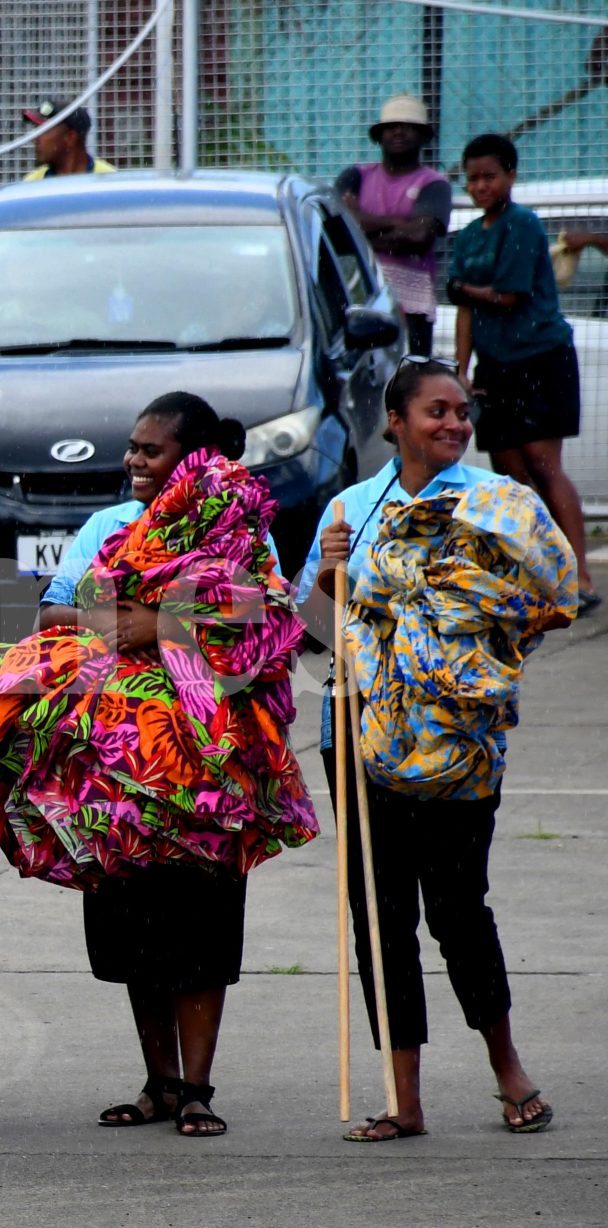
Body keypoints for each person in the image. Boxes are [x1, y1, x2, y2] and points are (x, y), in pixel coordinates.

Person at [0, 393, 310, 1140]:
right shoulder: (105, 528)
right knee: (133, 926)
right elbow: (50, 614)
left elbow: (267, 620)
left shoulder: (238, 531)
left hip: (207, 770)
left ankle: (198, 1089)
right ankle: (157, 1083)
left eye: (149, 451)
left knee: (204, 925)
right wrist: (115, 624)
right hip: (112, 779)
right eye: (132, 447)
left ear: (192, 461)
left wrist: (163, 623)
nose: (132, 461)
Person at [296, 358, 577, 1142]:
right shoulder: (350, 507)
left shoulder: (499, 506)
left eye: (462, 412)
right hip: (356, 737)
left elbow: (552, 604)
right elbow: (311, 634)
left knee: (459, 909)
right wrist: (330, 574)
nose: (455, 425)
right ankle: (403, 1098)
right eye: (436, 411)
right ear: (395, 420)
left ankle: (507, 1067)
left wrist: (479, 618)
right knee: (380, 919)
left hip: (459, 739)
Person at [450, 132, 595, 609]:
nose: (480, 187)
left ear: (511, 175)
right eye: (472, 179)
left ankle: (580, 576)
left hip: (540, 357)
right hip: (495, 364)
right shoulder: (470, 236)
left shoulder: (524, 225)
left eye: (490, 176)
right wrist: (461, 368)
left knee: (543, 462)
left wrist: (463, 290)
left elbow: (507, 296)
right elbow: (465, 310)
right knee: (509, 473)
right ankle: (532, 573)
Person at [337, 95, 450, 357]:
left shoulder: (434, 184)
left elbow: (420, 238)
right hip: (361, 295)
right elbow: (342, 228)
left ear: (422, 135)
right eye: (391, 126)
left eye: (408, 126)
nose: (398, 131)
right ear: (379, 135)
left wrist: (363, 231)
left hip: (412, 304)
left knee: (411, 377)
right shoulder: (355, 176)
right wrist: (399, 223)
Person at [23, 96, 115, 180]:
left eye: (44, 131)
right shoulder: (32, 184)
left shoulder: (108, 182)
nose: (35, 139)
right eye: (37, 130)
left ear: (70, 137)